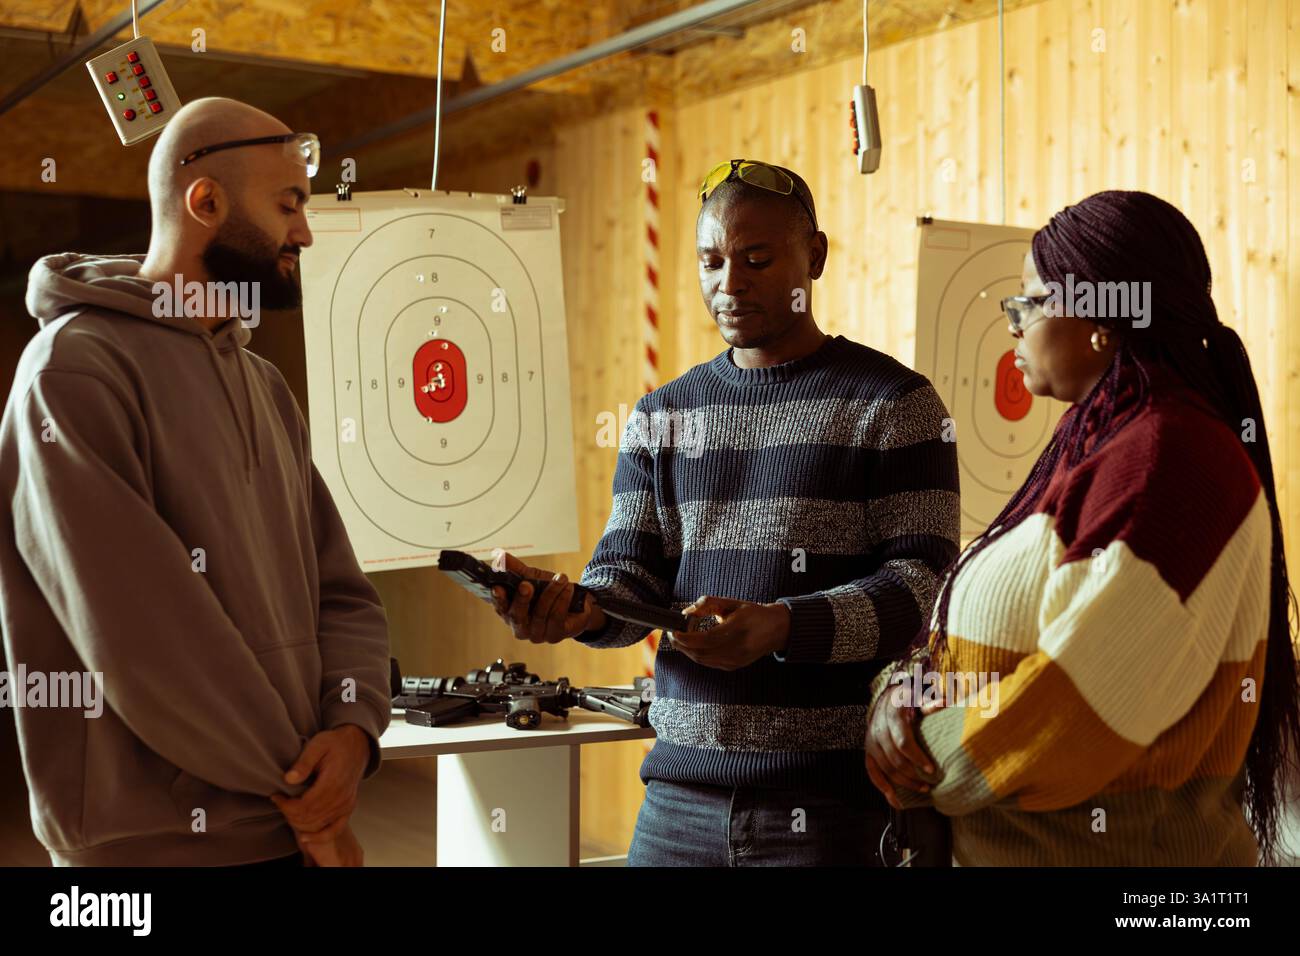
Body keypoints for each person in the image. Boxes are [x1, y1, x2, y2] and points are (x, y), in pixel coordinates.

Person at [492, 159, 960, 866]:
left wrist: (784, 625)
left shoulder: (896, 405)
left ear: (815, 256)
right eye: (711, 262)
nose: (730, 284)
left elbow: (924, 591)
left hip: (831, 810)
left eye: (757, 260)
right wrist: (578, 610)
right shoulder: (662, 415)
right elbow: (630, 576)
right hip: (677, 805)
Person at [0, 97, 392, 866]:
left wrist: (352, 731)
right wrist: (305, 796)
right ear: (205, 202)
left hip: (286, 825)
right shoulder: (72, 373)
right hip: (150, 854)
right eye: (288, 205)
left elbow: (340, 591)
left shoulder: (263, 385)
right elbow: (142, 637)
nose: (305, 233)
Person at [865, 190, 1300, 865]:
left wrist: (914, 759)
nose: (1013, 323)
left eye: (1031, 301)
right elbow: (988, 650)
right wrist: (902, 692)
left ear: (1102, 319)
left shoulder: (1169, 461)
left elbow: (1073, 714)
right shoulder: (1098, 440)